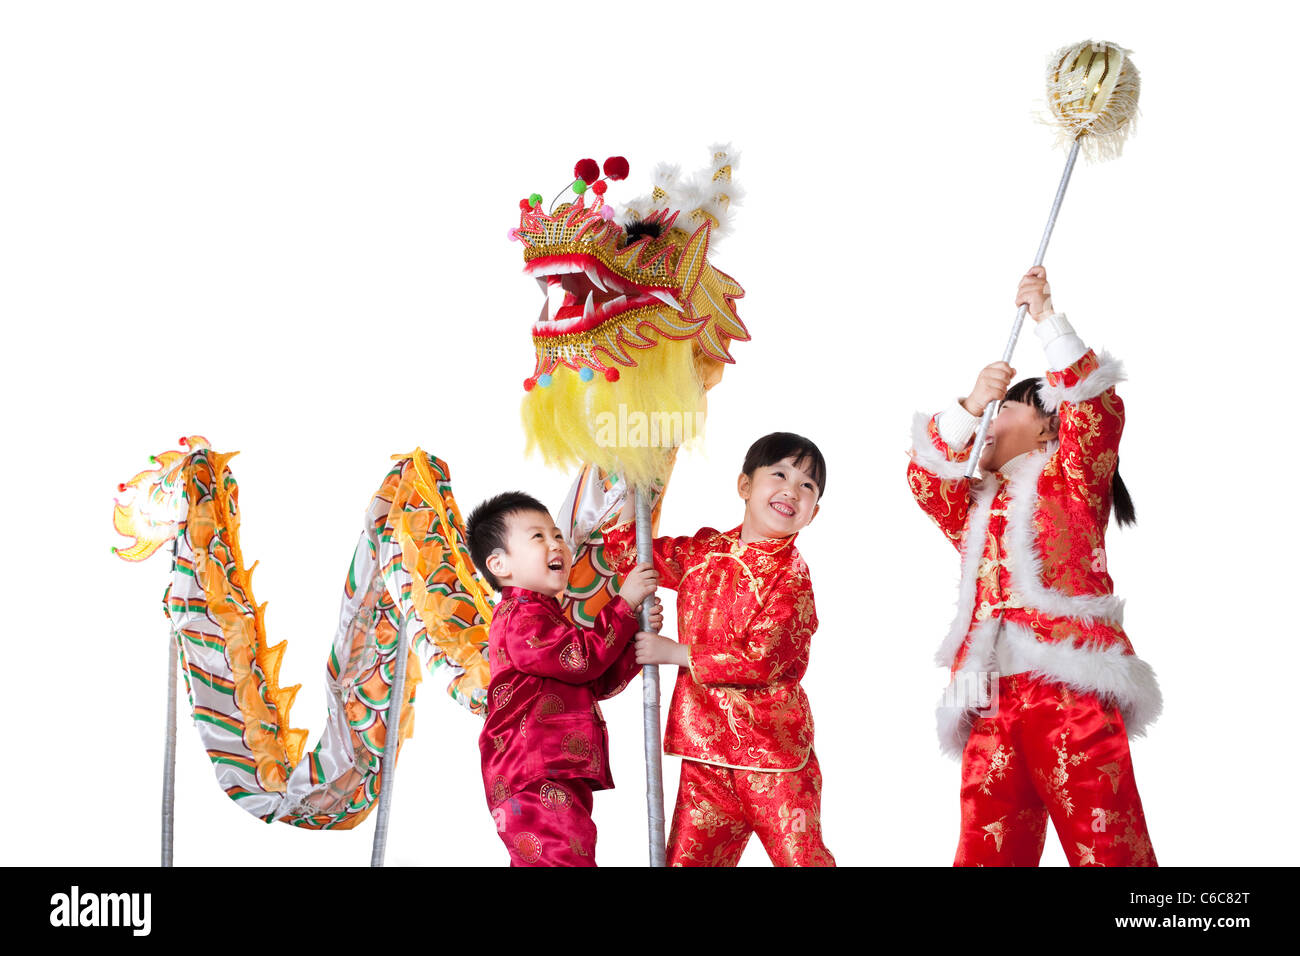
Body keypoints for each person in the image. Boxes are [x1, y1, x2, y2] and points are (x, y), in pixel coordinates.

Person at [907, 267, 1159, 866]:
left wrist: (1046, 316)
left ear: (1047, 421)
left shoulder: (1072, 480)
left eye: (1001, 411)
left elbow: (1096, 409)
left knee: (1108, 851)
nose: (987, 423)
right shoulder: (976, 505)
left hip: (1069, 690)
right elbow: (925, 479)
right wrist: (969, 405)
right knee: (983, 855)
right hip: (989, 697)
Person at [604, 433, 835, 866]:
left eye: (807, 486)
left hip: (773, 758)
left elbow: (762, 657)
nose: (792, 489)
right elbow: (633, 555)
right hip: (705, 756)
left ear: (813, 513)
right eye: (780, 474)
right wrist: (631, 487)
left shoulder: (792, 578)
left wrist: (676, 652)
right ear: (745, 486)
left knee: (802, 860)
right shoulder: (704, 551)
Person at [467, 491, 660, 866]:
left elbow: (593, 681)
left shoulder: (548, 617)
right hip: (532, 771)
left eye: (556, 534)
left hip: (553, 770)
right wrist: (623, 604)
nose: (555, 543)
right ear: (499, 564)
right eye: (537, 537)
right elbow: (582, 660)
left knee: (561, 856)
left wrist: (633, 641)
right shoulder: (520, 617)